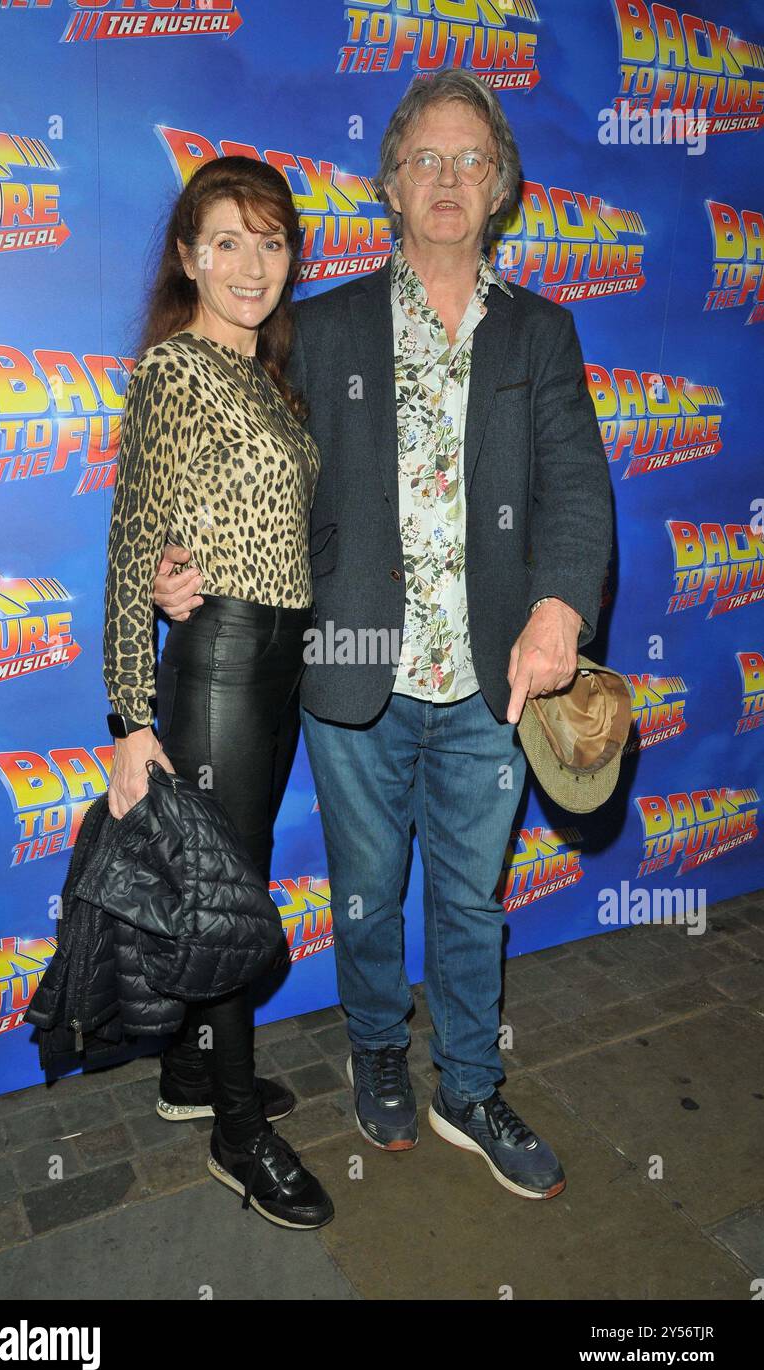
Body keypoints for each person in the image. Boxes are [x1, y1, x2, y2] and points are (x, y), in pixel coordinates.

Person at [154, 72, 614, 1201]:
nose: (447, 178)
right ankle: (374, 1052)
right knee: (364, 889)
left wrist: (558, 608)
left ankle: (470, 1085)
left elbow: (575, 488)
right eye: (425, 160)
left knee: (471, 898)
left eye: (470, 161)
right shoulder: (320, 328)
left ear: (498, 189)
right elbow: (252, 470)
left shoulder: (541, 332)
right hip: (354, 668)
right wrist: (181, 560)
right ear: (391, 187)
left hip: (497, 679)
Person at [103, 155, 334, 1229]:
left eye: (270, 241)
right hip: (223, 666)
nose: (251, 264)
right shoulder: (174, 370)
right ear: (188, 257)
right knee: (226, 903)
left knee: (236, 880)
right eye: (227, 241)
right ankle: (237, 1133)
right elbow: (129, 547)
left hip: (278, 662)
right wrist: (129, 718)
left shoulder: (264, 376)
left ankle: (192, 1068)